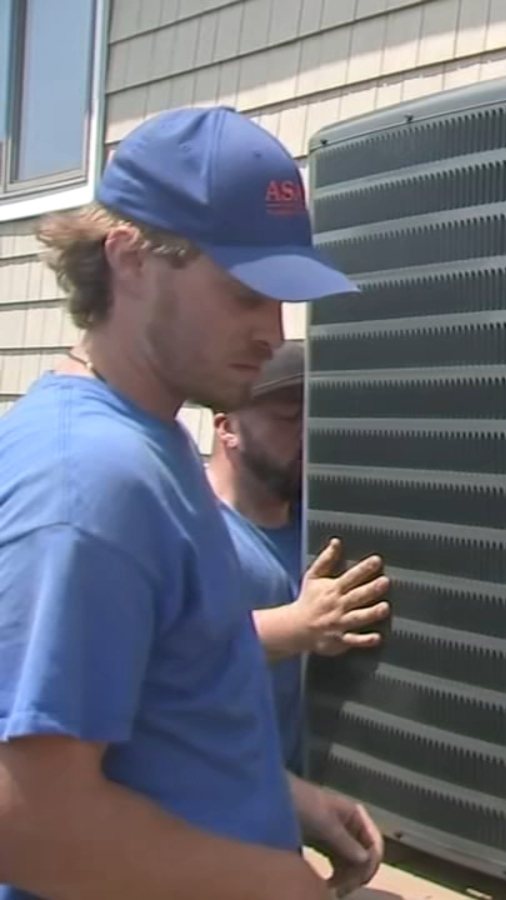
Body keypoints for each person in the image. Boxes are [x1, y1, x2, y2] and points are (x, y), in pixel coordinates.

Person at [0, 106, 383, 899]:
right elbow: (28, 819)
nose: (272, 332)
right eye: (246, 293)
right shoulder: (91, 482)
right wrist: (280, 886)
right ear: (130, 259)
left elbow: (165, 715)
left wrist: (286, 800)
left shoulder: (154, 444)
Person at [208, 338, 392, 776]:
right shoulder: (193, 528)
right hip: (208, 804)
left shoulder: (318, 529)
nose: (308, 433)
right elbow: (171, 652)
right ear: (227, 426)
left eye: (317, 416)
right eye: (291, 416)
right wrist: (298, 626)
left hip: (297, 800)